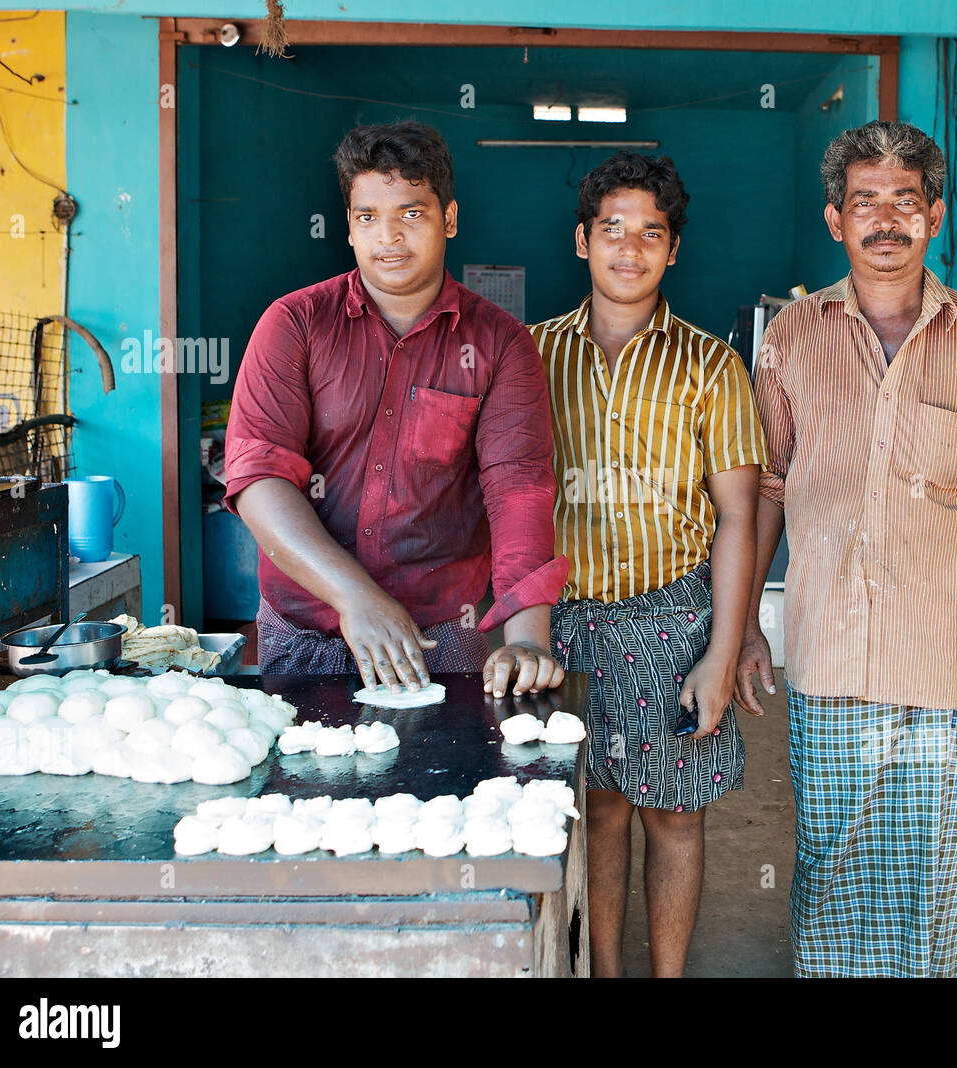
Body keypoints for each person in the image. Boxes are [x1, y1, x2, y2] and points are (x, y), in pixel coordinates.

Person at [735, 120, 957, 977]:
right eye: (864, 202)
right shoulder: (792, 337)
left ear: (935, 215)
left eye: (905, 201)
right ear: (835, 219)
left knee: (941, 874)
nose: (885, 220)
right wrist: (751, 628)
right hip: (830, 655)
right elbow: (768, 486)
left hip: (949, 664)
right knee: (833, 868)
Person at [225, 121, 567, 700]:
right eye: (368, 217)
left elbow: (519, 489)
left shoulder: (501, 343)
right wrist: (356, 596)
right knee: (301, 784)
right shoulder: (294, 324)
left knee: (444, 783)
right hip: (304, 626)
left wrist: (528, 636)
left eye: (411, 213)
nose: (389, 237)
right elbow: (258, 477)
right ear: (350, 229)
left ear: (449, 219)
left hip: (441, 637)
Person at [529, 153, 768, 977]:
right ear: (582, 240)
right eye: (612, 230)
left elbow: (738, 515)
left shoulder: (711, 365)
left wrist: (724, 649)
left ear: (674, 251)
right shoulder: (531, 355)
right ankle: (606, 973)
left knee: (674, 814)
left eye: (651, 234)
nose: (629, 250)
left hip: (674, 620)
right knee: (594, 808)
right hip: (563, 625)